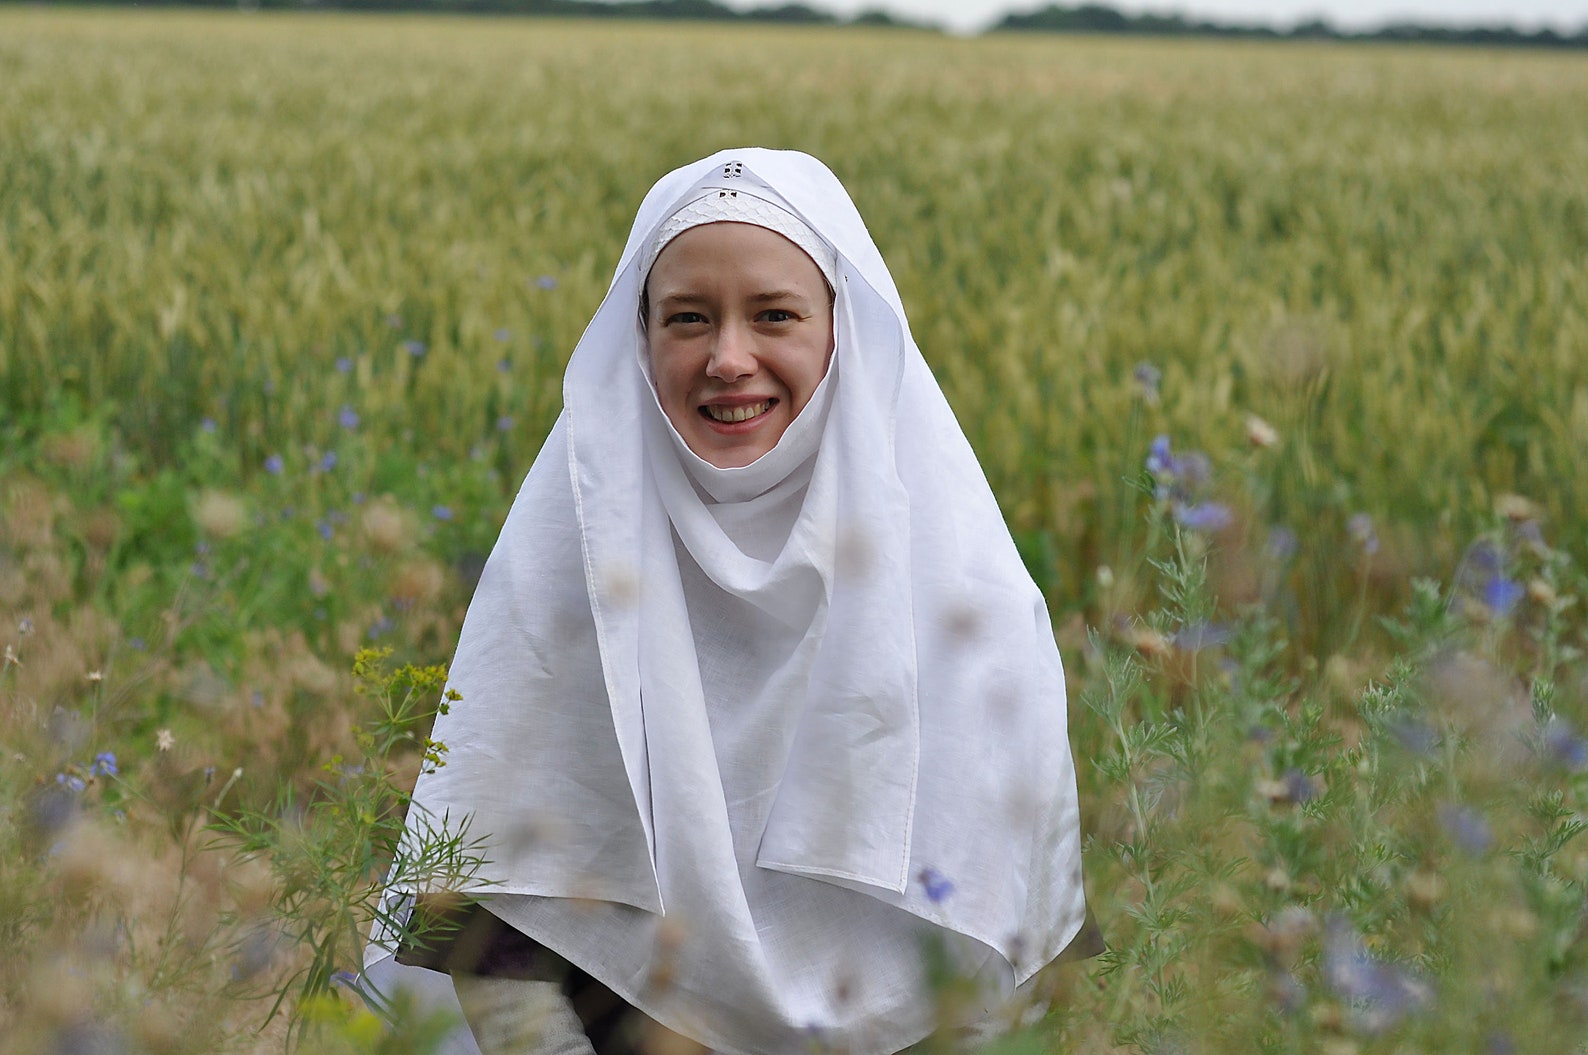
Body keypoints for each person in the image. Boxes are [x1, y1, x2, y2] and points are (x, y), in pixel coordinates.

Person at [365, 148, 1093, 1055]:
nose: (729, 359)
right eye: (689, 318)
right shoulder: (564, 569)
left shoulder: (970, 602)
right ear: (640, 337)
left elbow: (1009, 948)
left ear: (842, 331)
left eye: (775, 314)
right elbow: (488, 927)